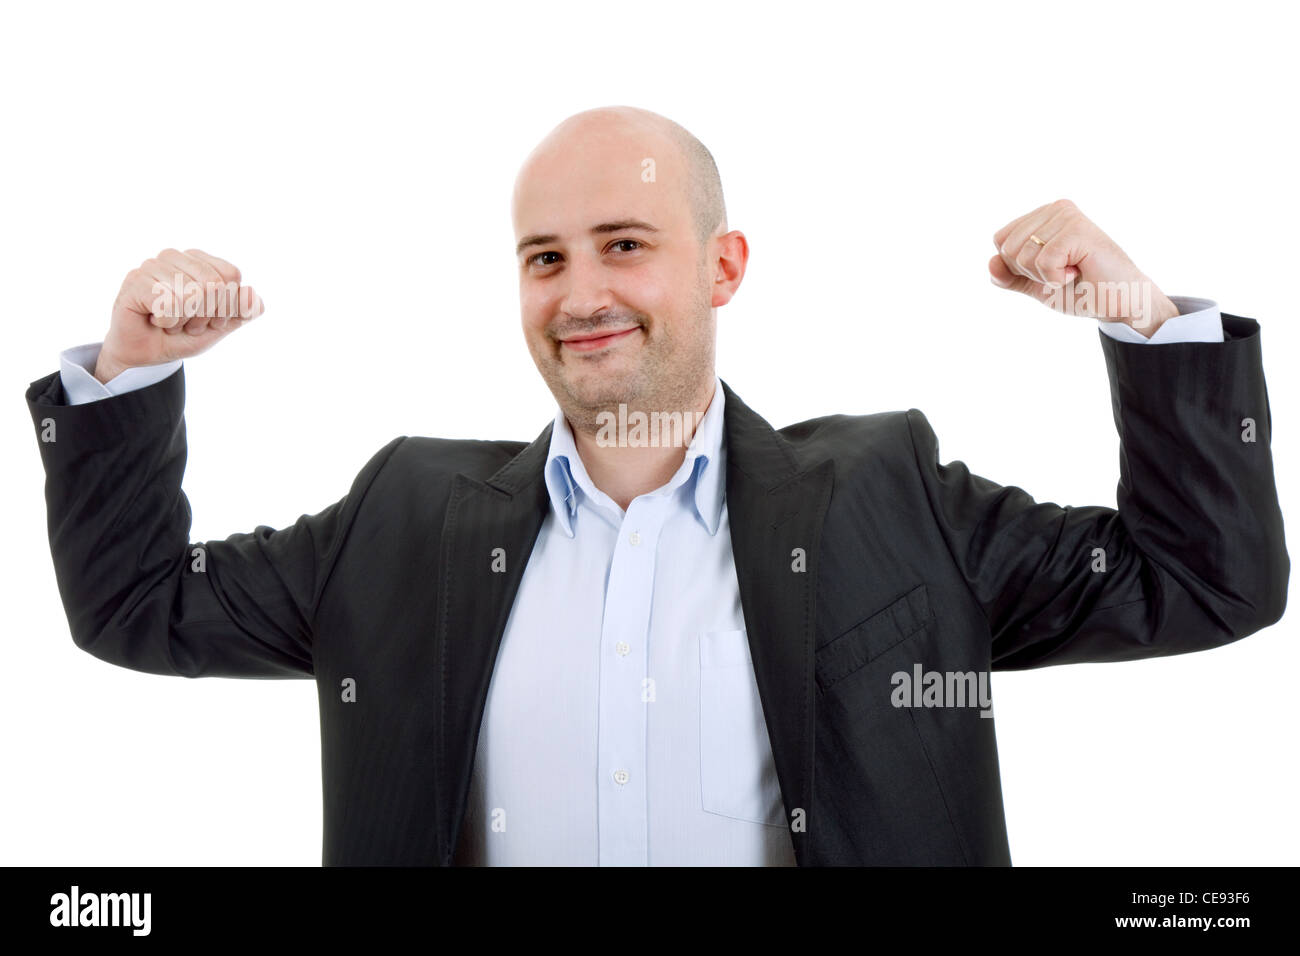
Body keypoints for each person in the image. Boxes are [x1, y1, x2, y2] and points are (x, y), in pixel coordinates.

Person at [25, 106, 1288, 866]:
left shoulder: (888, 492)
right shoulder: (404, 514)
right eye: (543, 256)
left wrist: (1141, 316)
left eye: (625, 244)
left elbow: (1206, 582)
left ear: (723, 264)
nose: (580, 295)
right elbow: (137, 603)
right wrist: (132, 368)